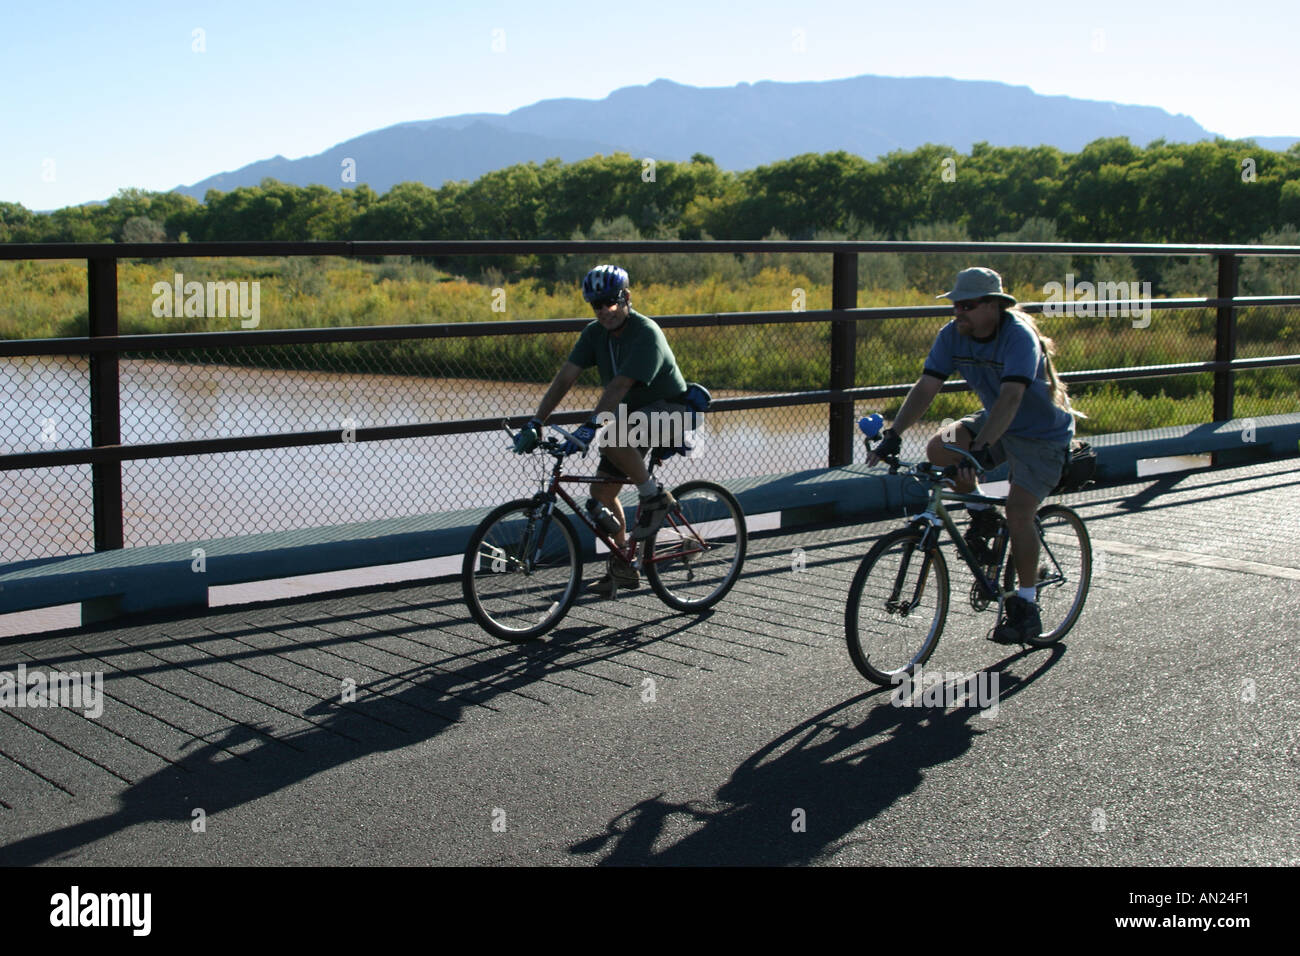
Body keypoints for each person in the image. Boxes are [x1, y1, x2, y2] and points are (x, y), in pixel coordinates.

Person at [867, 266, 1076, 643]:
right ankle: (981, 515)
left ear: (993, 306)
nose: (957, 313)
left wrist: (976, 453)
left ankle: (1027, 606)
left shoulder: (1018, 337)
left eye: (966, 305)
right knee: (939, 446)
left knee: (1018, 512)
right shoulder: (952, 336)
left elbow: (1012, 398)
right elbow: (927, 385)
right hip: (995, 422)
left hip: (1041, 436)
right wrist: (894, 433)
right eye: (954, 305)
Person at [512, 265, 691, 595]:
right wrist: (536, 421)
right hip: (630, 418)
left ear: (626, 298)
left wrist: (589, 427)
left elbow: (621, 385)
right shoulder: (594, 334)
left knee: (611, 434)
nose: (604, 311)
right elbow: (566, 377)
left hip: (671, 411)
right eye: (597, 305)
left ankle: (655, 499)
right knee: (602, 495)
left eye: (611, 302)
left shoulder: (645, 332)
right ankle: (623, 567)